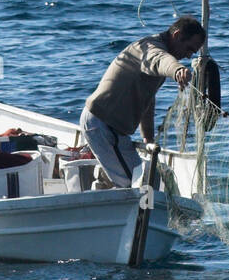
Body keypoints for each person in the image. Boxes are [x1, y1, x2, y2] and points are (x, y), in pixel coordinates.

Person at [80, 16, 206, 188]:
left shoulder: (158, 53)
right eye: (189, 48)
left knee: (147, 180)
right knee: (141, 186)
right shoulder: (149, 48)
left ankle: (106, 183)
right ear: (177, 35)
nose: (188, 55)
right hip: (103, 125)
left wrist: (147, 137)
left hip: (114, 130)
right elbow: (159, 60)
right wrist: (178, 70)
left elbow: (147, 99)